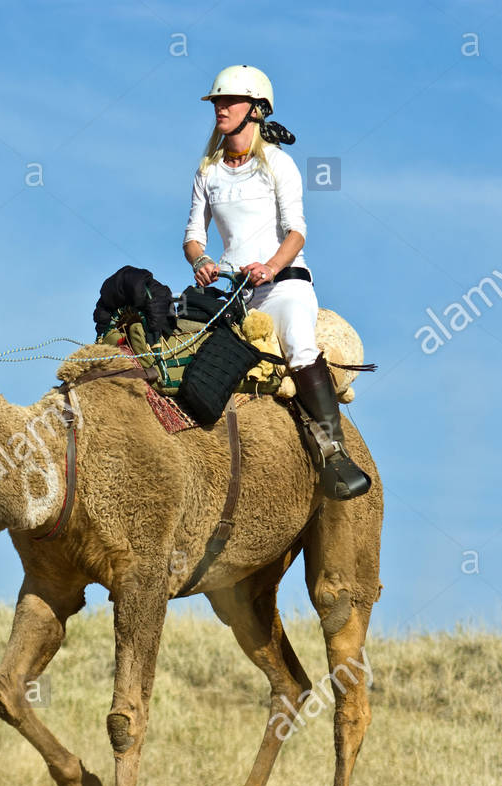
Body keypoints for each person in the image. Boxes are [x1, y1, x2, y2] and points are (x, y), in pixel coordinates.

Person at [182, 64, 370, 500]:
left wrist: (268, 266)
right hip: (232, 297)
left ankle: (334, 453)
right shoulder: (207, 171)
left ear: (256, 110)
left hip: (283, 287)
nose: (220, 108)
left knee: (300, 344)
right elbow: (193, 237)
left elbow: (297, 232)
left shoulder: (279, 165)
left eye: (229, 101)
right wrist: (204, 260)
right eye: (217, 102)